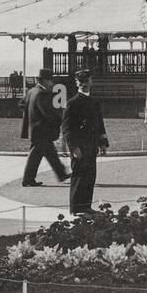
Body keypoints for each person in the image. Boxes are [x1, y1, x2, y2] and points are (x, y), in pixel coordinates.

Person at [60, 70, 108, 213]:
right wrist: (73, 147)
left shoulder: (94, 102)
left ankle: (86, 207)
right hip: (79, 147)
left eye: (86, 81)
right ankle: (75, 209)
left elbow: (100, 124)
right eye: (81, 82)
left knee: (90, 177)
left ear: (91, 82)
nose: (84, 84)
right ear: (77, 84)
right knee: (79, 177)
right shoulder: (72, 104)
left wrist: (103, 143)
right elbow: (67, 129)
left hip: (92, 146)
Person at [21, 68, 69, 186]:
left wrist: (32, 114)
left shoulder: (32, 91)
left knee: (50, 153)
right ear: (44, 81)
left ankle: (61, 174)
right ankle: (27, 179)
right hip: (42, 130)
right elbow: (47, 112)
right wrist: (60, 117)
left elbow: (21, 104)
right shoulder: (42, 93)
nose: (52, 83)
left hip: (36, 129)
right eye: (50, 81)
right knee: (36, 156)